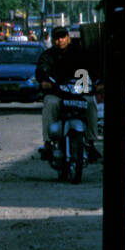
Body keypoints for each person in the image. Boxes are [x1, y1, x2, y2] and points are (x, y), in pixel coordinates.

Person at [37, 26, 100, 163]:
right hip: (57, 93)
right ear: (53, 40)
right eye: (57, 38)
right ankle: (48, 143)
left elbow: (93, 70)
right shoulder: (47, 56)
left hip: (78, 92)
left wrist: (99, 82)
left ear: (68, 38)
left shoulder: (80, 53)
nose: (60, 41)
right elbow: (42, 71)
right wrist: (44, 81)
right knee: (50, 104)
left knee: (90, 103)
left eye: (62, 37)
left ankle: (91, 142)